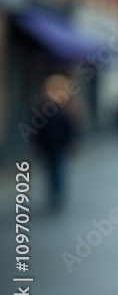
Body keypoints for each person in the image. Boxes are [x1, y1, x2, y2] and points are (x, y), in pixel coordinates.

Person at [34, 74, 78, 209]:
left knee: (58, 168)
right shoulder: (43, 107)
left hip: (59, 145)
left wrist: (72, 142)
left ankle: (57, 193)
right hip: (49, 145)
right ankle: (55, 192)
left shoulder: (66, 108)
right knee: (52, 169)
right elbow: (37, 128)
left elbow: (71, 128)